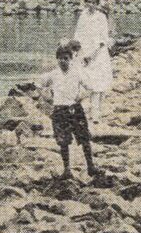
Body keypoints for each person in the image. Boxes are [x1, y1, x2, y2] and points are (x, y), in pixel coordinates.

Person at [34, 42, 97, 180]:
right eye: (60, 58)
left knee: (84, 138)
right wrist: (46, 97)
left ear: (70, 59)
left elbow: (91, 87)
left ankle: (91, 166)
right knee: (63, 141)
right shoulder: (53, 74)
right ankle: (67, 169)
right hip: (59, 110)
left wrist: (81, 96)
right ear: (57, 59)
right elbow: (38, 84)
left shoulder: (77, 73)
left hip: (75, 109)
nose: (63, 61)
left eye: (66, 58)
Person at [72, 0, 115, 121]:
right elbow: (77, 34)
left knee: (98, 82)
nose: (91, 5)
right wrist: (78, 50)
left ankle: (96, 112)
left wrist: (92, 55)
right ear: (85, 3)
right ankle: (83, 111)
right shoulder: (82, 16)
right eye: (89, 2)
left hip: (98, 53)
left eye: (93, 3)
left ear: (97, 4)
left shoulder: (101, 17)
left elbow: (103, 38)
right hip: (83, 51)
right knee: (84, 80)